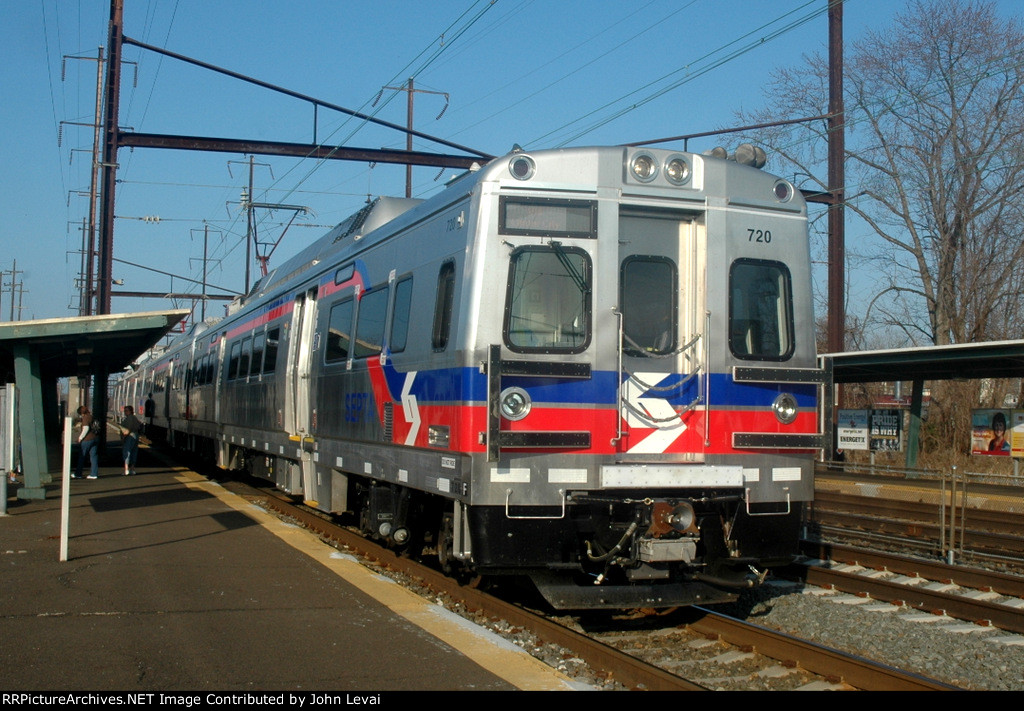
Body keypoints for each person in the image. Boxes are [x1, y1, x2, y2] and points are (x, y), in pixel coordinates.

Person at [73, 405, 99, 480]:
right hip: (95, 438)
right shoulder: (91, 416)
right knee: (94, 457)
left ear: (81, 413)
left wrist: (80, 438)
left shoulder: (85, 418)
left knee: (82, 456)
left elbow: (86, 428)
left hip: (87, 440)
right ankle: (94, 474)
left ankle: (78, 474)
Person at [120, 405, 143, 476]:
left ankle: (126, 469)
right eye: (124, 411)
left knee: (127, 452)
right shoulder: (135, 418)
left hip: (130, 436)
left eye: (126, 411)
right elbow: (139, 426)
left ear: (130, 411)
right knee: (134, 452)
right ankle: (132, 469)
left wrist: (123, 437)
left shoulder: (129, 418)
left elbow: (128, 429)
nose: (125, 412)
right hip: (135, 436)